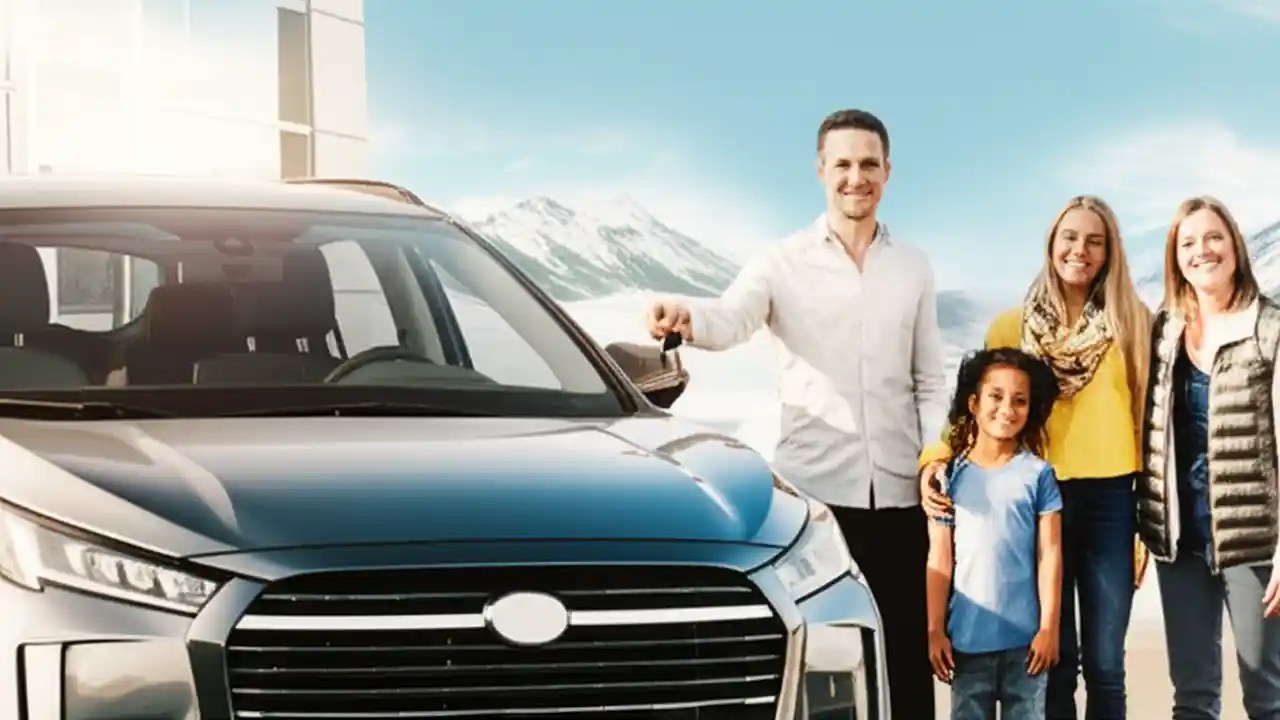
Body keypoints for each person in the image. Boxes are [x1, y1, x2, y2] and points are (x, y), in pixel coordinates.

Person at [646, 108, 948, 719]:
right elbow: (730, 320)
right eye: (842, 164)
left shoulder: (913, 265)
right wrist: (685, 317)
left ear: (888, 172)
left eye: (868, 164)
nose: (855, 177)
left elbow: (929, 380)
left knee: (908, 670)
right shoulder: (779, 261)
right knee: (828, 668)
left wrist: (934, 456)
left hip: (901, 502)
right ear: (820, 171)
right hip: (816, 502)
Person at [918, 195, 1151, 719]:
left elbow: (1151, 424)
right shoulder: (1010, 327)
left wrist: (1145, 526)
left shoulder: (1134, 323)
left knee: (1107, 663)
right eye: (1070, 236)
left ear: (1110, 252)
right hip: (1034, 499)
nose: (1081, 250)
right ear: (1051, 243)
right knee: (1054, 658)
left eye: (1095, 241)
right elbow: (971, 410)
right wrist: (934, 459)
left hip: (1111, 502)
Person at [1138, 195, 1280, 719]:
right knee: (1193, 698)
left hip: (1254, 543)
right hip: (1180, 544)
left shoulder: (1270, 328)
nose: (1203, 251)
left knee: (1266, 694)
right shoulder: (1165, 332)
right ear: (1176, 257)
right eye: (1189, 242)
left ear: (1236, 245)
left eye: (1213, 237)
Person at [926, 347, 1063, 720]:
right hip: (967, 644)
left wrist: (1049, 627)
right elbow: (940, 558)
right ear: (973, 403)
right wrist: (935, 629)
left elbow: (1049, 555)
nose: (1007, 408)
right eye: (996, 396)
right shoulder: (948, 478)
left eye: (1020, 400)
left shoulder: (1039, 475)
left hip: (1027, 647)